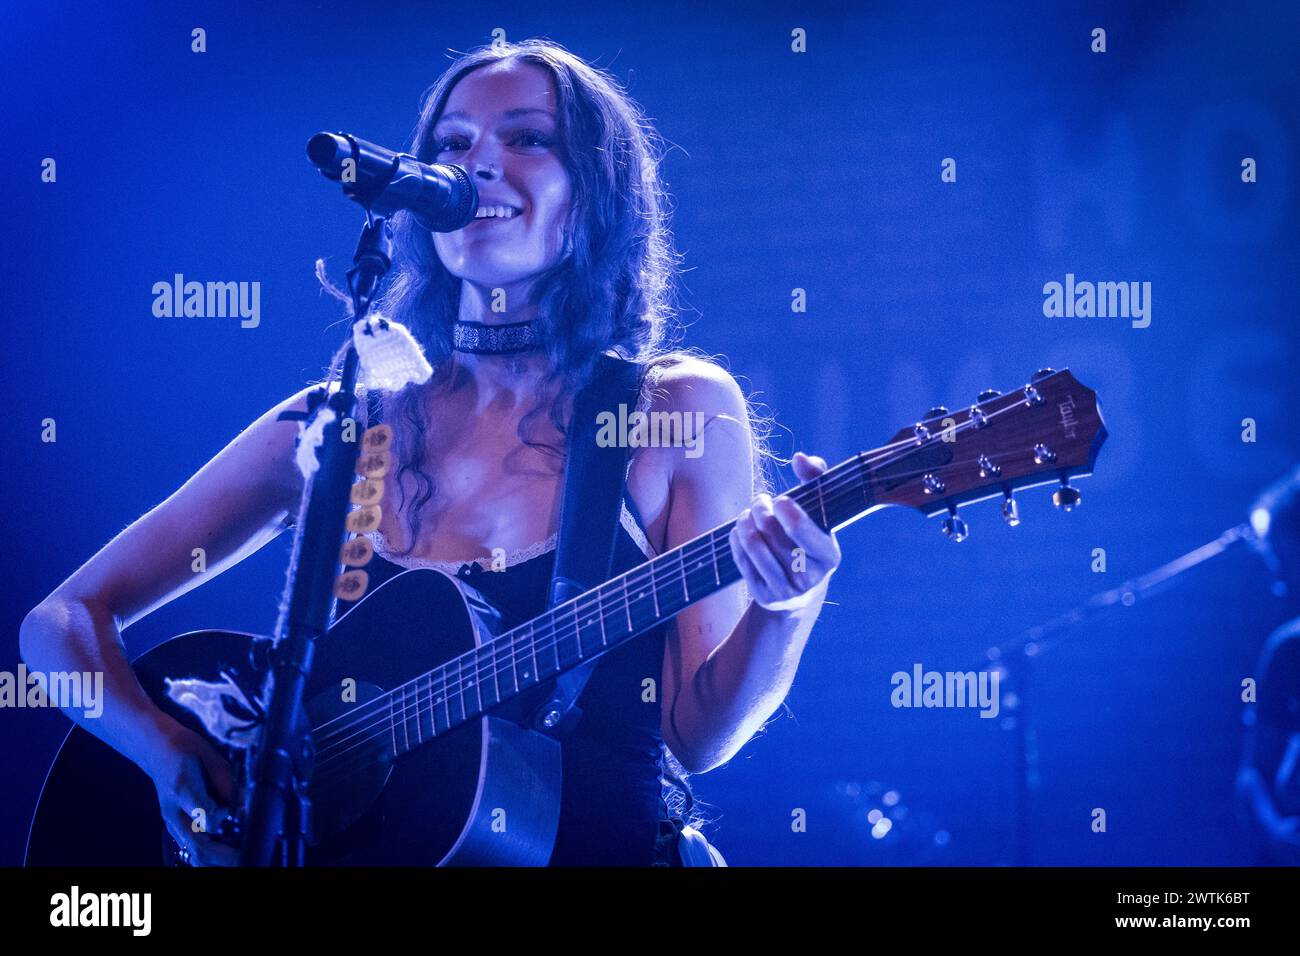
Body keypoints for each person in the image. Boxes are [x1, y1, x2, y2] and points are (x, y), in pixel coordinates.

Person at [19, 39, 841, 866]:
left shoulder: (675, 409)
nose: (479, 164)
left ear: (594, 189)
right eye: (451, 145)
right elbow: (59, 622)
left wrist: (786, 607)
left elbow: (699, 737)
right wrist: (168, 754)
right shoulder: (343, 418)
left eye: (525, 138)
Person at [1236, 464, 1300, 865]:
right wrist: (1276, 833)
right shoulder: (1289, 650)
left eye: (1283, 559)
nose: (1278, 580)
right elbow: (1251, 775)